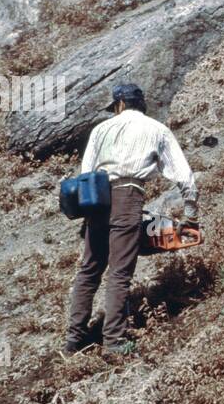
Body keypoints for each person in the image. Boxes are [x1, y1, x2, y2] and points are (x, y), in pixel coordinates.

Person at [66, 83, 199, 355]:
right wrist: (191, 214)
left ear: (120, 104)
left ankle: (73, 340)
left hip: (96, 197)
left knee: (89, 270)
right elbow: (184, 176)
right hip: (128, 196)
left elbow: (85, 172)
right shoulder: (156, 129)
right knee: (119, 271)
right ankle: (114, 342)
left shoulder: (100, 130)